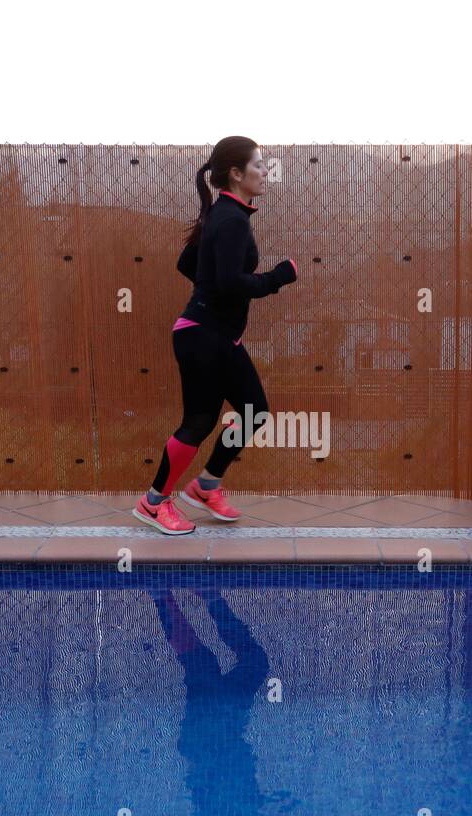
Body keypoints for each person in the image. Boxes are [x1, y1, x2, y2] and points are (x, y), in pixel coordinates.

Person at [133, 136, 298, 535]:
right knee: (199, 421)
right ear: (236, 174)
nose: (265, 171)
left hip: (218, 335)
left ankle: (206, 485)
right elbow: (228, 283)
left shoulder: (224, 214)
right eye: (258, 165)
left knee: (254, 410)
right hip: (203, 336)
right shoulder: (231, 220)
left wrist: (211, 294)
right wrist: (279, 276)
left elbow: (188, 263)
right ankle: (153, 502)